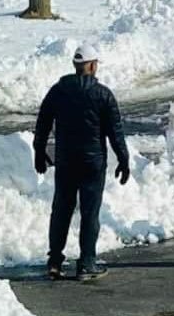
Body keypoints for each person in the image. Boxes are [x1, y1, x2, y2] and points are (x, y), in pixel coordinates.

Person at [33, 44, 131, 281]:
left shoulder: (58, 91)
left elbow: (43, 122)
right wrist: (123, 159)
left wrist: (39, 150)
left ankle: (55, 262)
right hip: (92, 163)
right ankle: (87, 263)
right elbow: (115, 132)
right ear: (93, 65)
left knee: (61, 210)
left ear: (76, 65)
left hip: (66, 161)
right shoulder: (103, 94)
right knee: (90, 213)